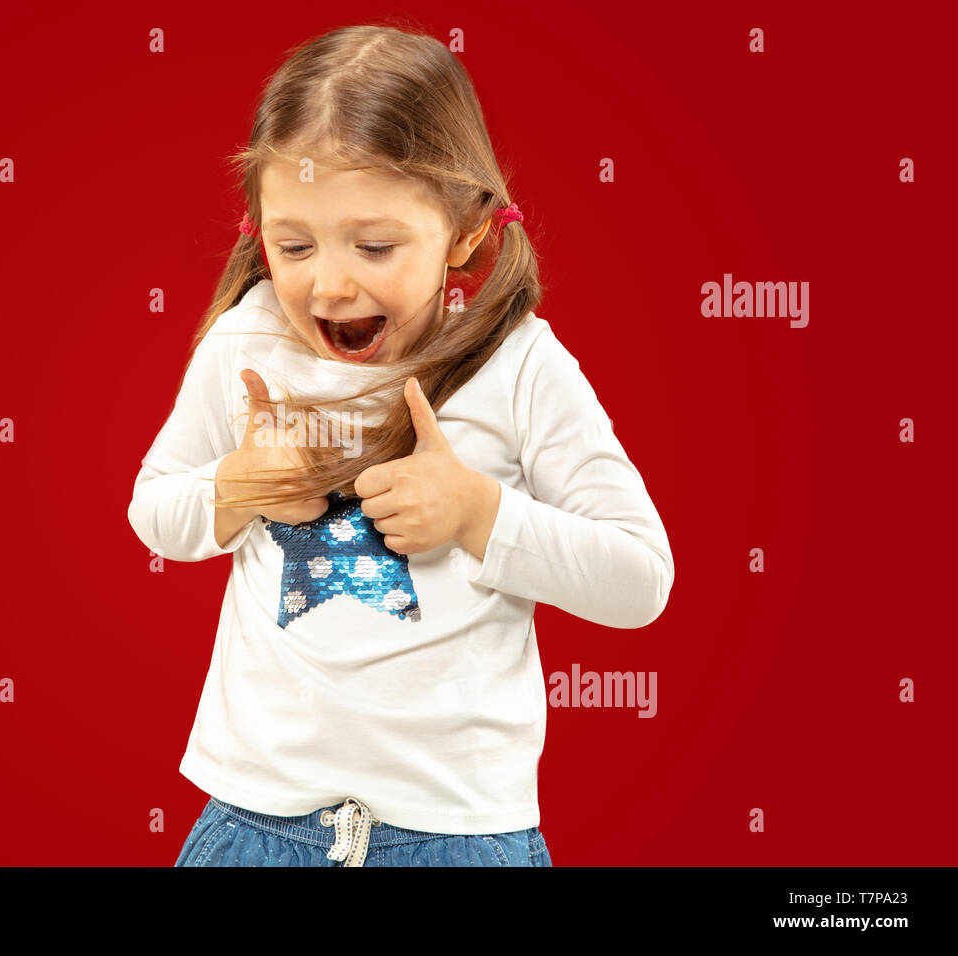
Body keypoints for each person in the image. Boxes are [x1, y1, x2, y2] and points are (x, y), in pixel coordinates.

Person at [127, 23, 674, 867]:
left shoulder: (519, 362)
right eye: (294, 244)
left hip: (459, 836)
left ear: (462, 231)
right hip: (254, 825)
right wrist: (238, 486)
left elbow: (640, 579)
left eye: (375, 246)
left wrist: (479, 514)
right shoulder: (249, 343)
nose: (330, 282)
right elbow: (154, 509)